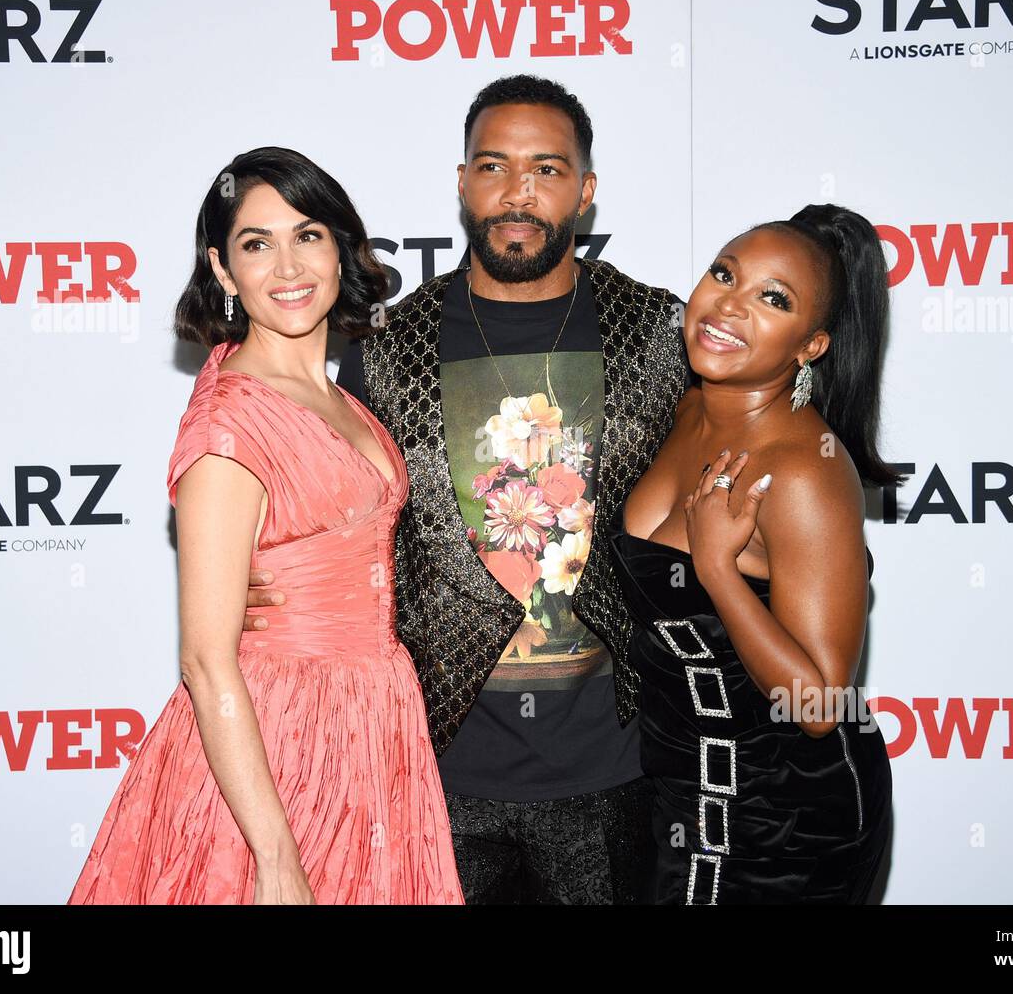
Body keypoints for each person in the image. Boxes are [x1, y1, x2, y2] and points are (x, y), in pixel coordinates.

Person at [248, 75, 691, 903]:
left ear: (586, 191)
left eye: (547, 169)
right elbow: (353, 533)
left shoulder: (655, 332)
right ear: (461, 183)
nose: (517, 192)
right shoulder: (386, 347)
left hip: (616, 774)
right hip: (436, 772)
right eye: (493, 165)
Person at [68, 146, 464, 905]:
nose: (288, 266)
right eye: (257, 244)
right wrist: (276, 859)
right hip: (280, 741)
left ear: (341, 250)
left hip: (374, 721)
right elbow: (207, 660)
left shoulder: (342, 394)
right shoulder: (231, 417)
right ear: (222, 270)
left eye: (307, 235)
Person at [607, 204, 899, 903]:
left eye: (773, 299)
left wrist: (718, 572)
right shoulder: (687, 410)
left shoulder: (804, 470)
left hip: (788, 820)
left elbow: (822, 700)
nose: (729, 307)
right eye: (724, 274)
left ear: (812, 345)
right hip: (685, 791)